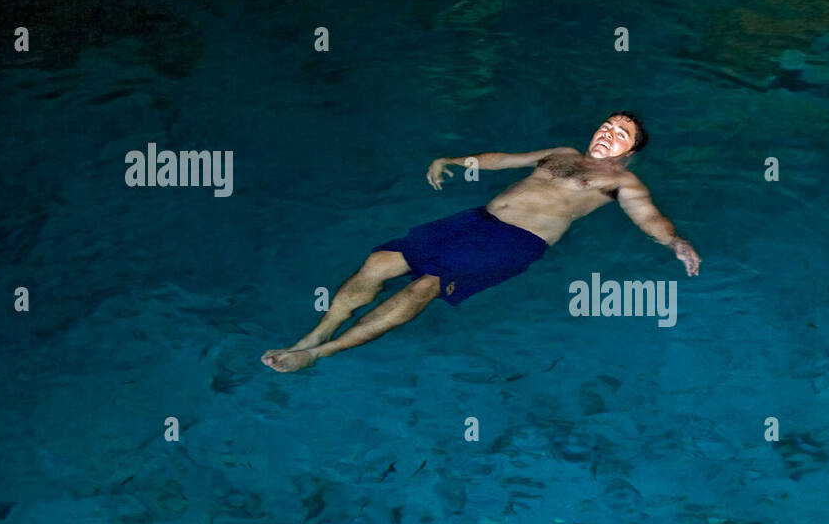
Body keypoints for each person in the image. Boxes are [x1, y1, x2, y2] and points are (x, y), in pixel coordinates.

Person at [261, 111, 700, 371]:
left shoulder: (623, 181)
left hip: (516, 242)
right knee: (378, 262)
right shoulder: (563, 154)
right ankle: (313, 333)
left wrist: (676, 242)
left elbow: (649, 218)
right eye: (607, 125)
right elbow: (505, 159)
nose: (608, 132)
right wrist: (453, 159)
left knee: (426, 285)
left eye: (620, 133)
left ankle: (322, 352)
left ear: (629, 151)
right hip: (474, 221)